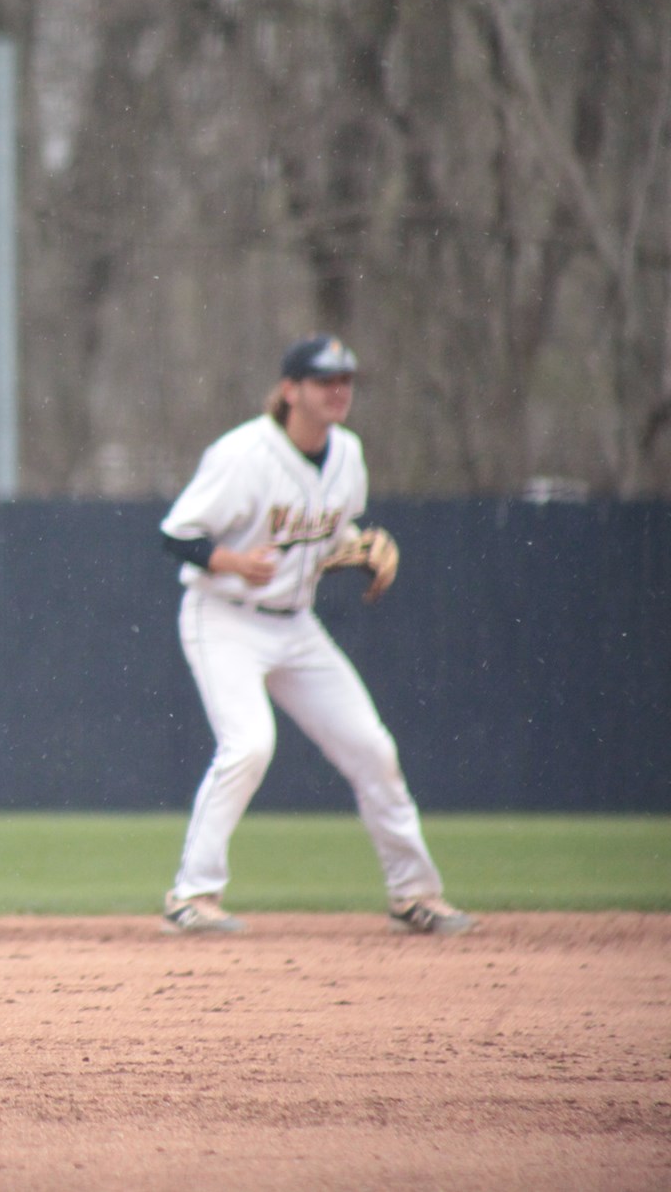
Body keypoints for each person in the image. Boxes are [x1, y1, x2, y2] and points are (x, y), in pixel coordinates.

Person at [157, 335, 475, 937]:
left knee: (372, 749)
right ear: (289, 390)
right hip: (223, 616)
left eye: (346, 380)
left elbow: (324, 536)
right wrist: (231, 560)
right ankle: (192, 897)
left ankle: (414, 896)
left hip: (295, 624)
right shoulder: (243, 453)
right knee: (249, 745)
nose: (338, 391)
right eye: (324, 380)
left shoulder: (348, 455)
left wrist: (356, 547)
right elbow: (176, 534)